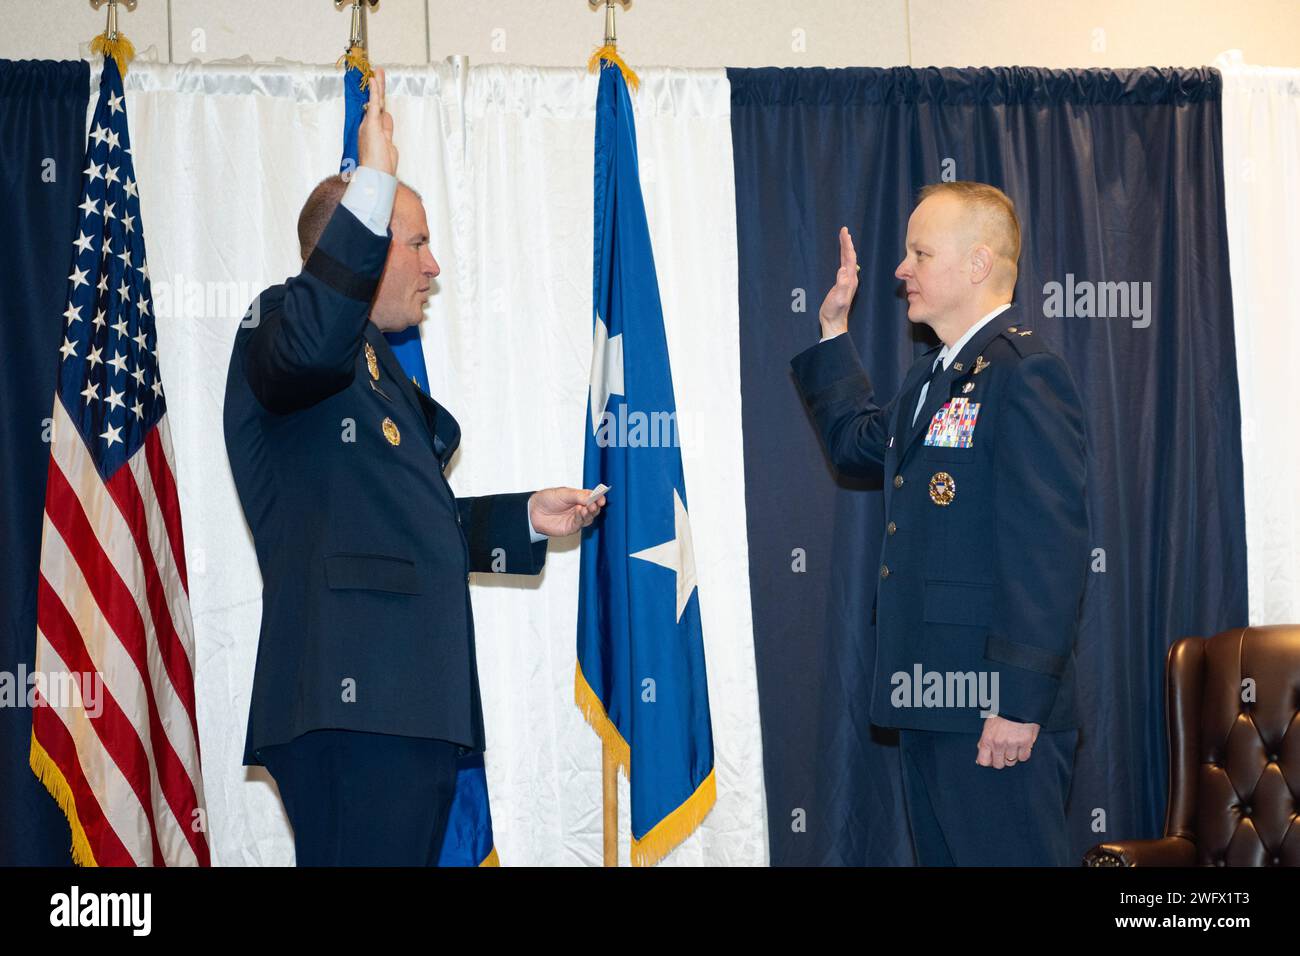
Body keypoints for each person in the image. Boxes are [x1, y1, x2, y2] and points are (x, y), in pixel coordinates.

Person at [222, 68, 605, 865]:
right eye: (418, 242)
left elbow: (406, 525)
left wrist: (522, 516)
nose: (434, 268)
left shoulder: (375, 368)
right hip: (353, 700)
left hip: (412, 706)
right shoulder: (283, 321)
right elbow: (307, 346)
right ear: (353, 250)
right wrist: (373, 183)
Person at [790, 182, 1089, 866]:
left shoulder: (1025, 374)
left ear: (978, 265)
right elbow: (854, 443)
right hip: (931, 702)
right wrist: (834, 331)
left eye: (920, 252)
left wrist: (1016, 703)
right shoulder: (933, 379)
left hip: (994, 715)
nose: (900, 270)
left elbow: (1049, 553)